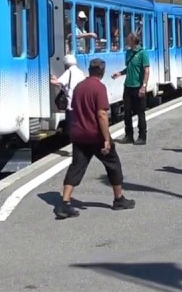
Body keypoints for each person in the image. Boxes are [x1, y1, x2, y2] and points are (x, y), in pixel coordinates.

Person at [55, 58, 135, 218]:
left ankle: (64, 203)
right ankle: (118, 198)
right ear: (102, 72)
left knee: (76, 167)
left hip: (78, 135)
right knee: (113, 164)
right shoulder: (99, 88)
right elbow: (102, 114)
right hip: (95, 135)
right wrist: (106, 138)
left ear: (89, 71)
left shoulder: (79, 87)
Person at [112, 31, 150, 145]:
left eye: (128, 39)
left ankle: (142, 136)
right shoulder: (128, 53)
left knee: (140, 113)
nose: (126, 41)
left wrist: (143, 86)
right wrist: (119, 73)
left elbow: (146, 70)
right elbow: (128, 68)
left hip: (138, 87)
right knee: (127, 112)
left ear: (133, 41)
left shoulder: (143, 53)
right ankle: (129, 135)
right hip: (128, 86)